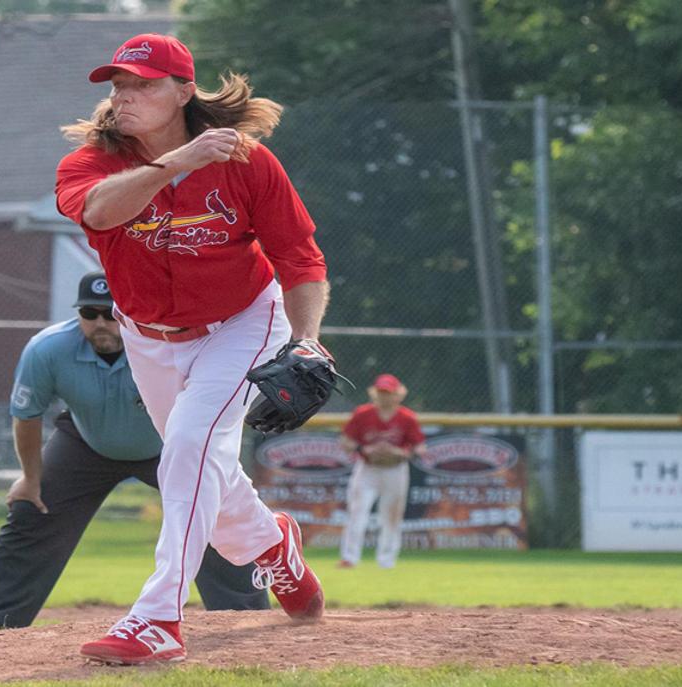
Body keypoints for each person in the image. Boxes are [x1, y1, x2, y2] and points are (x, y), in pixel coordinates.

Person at [55, 33, 330, 664]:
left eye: (144, 85)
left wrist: (308, 339)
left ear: (183, 91)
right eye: (119, 85)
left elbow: (299, 258)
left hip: (243, 322)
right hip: (148, 334)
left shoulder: (247, 161)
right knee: (206, 461)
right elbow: (98, 215)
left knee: (187, 447)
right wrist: (178, 161)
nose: (126, 97)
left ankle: (157, 620)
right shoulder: (91, 161)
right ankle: (273, 545)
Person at [0, 271, 269, 630]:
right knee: (31, 507)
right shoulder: (48, 349)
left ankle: (244, 621)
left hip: (168, 444)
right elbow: (26, 416)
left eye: (110, 313)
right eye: (89, 314)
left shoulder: (169, 345)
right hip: (86, 443)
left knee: (219, 513)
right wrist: (31, 479)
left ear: (131, 312)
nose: (99, 323)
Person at [337, 373, 428, 569]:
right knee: (357, 512)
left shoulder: (407, 417)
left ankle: (386, 561)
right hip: (367, 468)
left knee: (391, 516)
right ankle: (349, 558)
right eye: (381, 392)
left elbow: (420, 447)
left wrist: (400, 452)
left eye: (388, 392)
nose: (384, 396)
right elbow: (345, 441)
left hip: (395, 470)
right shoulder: (362, 413)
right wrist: (363, 449)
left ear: (398, 394)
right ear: (374, 393)